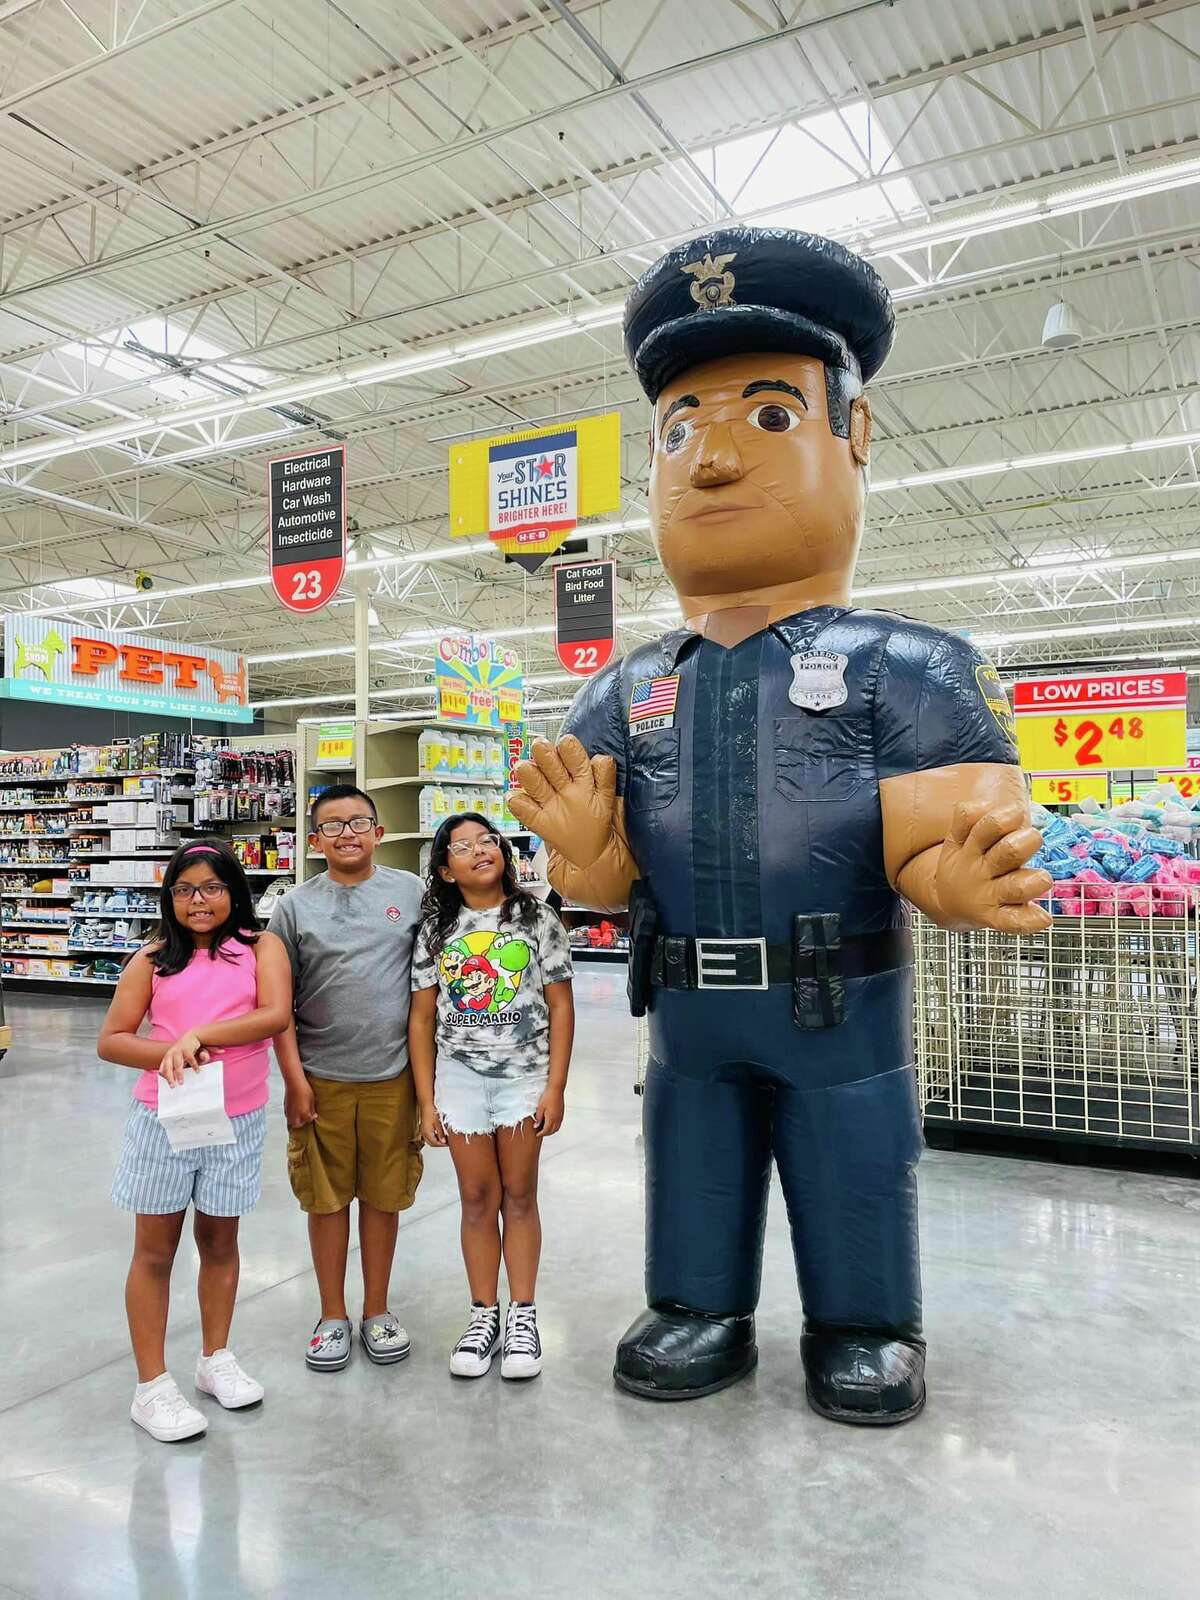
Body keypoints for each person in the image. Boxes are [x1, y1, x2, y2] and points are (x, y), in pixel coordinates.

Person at [510, 227, 1052, 1425]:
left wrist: (953, 877)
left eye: (764, 419)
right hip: (689, 1006)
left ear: (851, 439)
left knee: (854, 1148)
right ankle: (698, 1303)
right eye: (676, 430)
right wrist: (589, 860)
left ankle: (867, 1319)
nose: (706, 464)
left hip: (838, 999)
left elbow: (937, 840)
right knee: (690, 1146)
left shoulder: (910, 668)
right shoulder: (628, 685)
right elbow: (596, 876)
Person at [99, 840, 292, 1443]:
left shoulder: (262, 949)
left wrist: (199, 1035)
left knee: (221, 1240)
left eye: (211, 887)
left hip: (237, 1119)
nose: (198, 900)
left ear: (234, 892)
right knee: (155, 1251)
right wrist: (173, 1051)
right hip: (164, 1121)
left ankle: (215, 1358)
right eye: (184, 890)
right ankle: (151, 1387)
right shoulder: (152, 958)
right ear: (170, 897)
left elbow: (275, 1014)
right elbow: (113, 1039)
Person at [408, 813, 574, 1381]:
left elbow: (561, 1006)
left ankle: (523, 1314)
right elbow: (422, 1015)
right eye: (462, 846)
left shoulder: (538, 918)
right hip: (459, 1081)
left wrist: (555, 1086)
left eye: (487, 840)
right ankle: (484, 1314)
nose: (479, 850)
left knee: (520, 1195)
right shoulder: (435, 930)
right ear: (445, 869)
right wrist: (427, 1101)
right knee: (476, 1197)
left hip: (524, 1080)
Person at [269, 784, 424, 1372]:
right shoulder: (293, 907)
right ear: (314, 841)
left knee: (385, 1199)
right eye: (331, 826)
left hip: (394, 1078)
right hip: (321, 1079)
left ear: (379, 832)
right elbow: (277, 1005)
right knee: (326, 1200)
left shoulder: (411, 894)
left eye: (358, 822)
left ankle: (377, 1311)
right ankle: (332, 1315)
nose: (347, 834)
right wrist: (293, 1081)